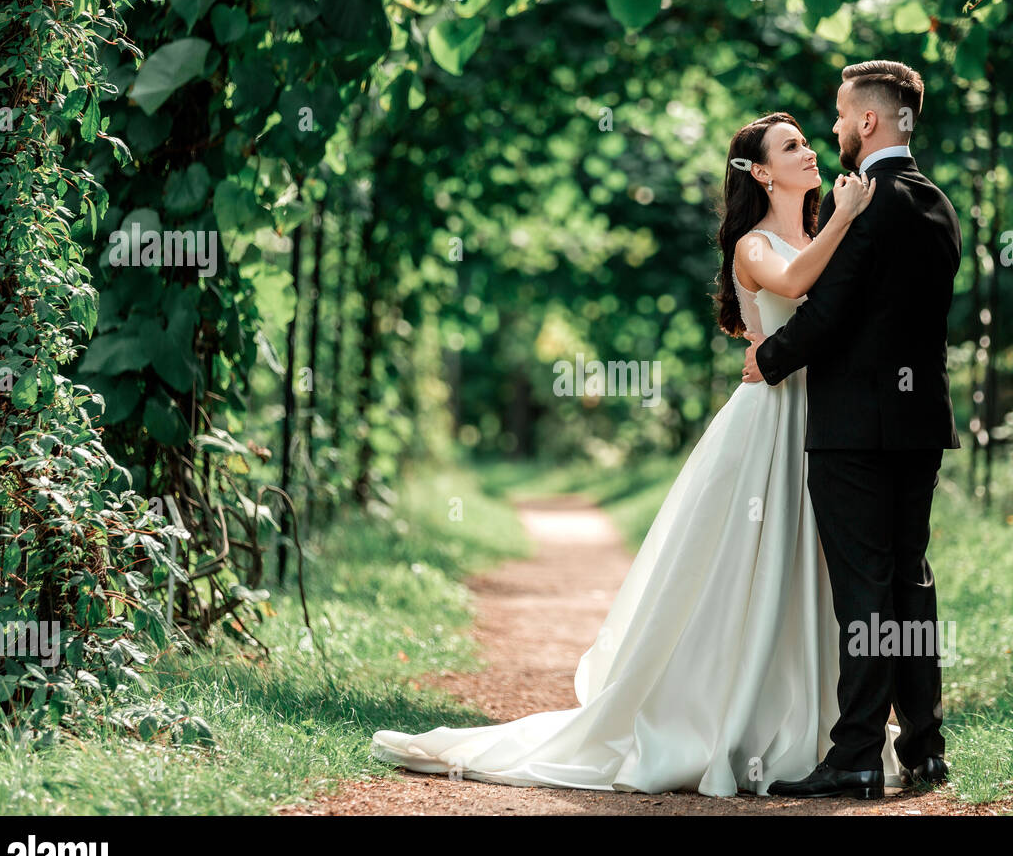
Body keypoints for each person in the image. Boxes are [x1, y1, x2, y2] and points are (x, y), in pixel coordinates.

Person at [371, 110, 896, 796]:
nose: (808, 153)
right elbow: (794, 285)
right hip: (769, 422)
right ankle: (719, 720)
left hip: (827, 419)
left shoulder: (824, 225)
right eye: (790, 147)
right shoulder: (753, 242)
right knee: (747, 571)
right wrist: (846, 216)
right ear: (761, 172)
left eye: (805, 141)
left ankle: (819, 728)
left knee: (816, 575)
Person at [742, 60, 962, 798]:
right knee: (911, 581)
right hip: (921, 424)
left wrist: (767, 358)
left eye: (838, 117)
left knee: (865, 590)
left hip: (851, 432)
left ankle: (858, 754)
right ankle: (926, 747)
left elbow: (828, 315)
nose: (832, 130)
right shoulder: (937, 204)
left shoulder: (867, 206)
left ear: (868, 122)